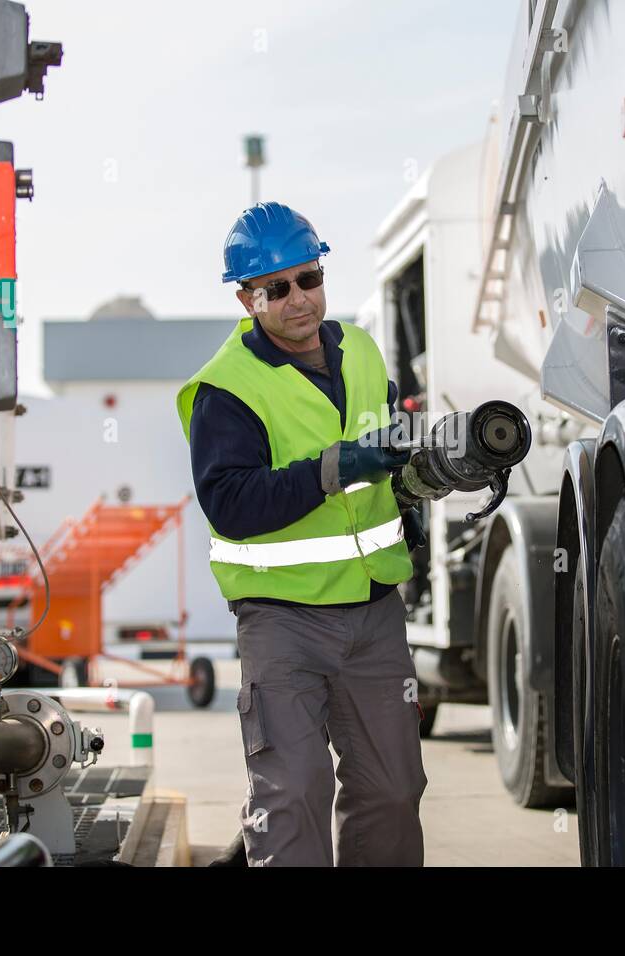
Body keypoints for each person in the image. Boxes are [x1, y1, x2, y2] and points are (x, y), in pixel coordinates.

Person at [175, 201, 429, 866]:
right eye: (276, 289)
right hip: (282, 621)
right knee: (293, 795)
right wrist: (334, 468)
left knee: (395, 791)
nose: (299, 300)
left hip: (374, 614)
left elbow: (392, 461)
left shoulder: (363, 352)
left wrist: (419, 478)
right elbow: (230, 502)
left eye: (309, 279)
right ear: (246, 298)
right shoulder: (226, 388)